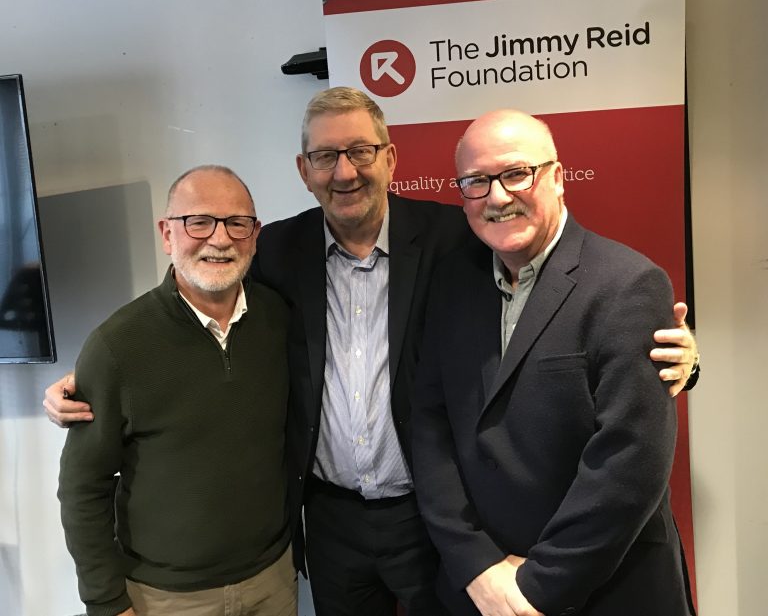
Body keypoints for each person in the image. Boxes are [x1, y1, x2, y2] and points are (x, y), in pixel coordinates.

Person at [46, 89, 698, 616]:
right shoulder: (277, 250)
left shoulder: (455, 234)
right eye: (325, 156)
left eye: (360, 151)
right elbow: (204, 272)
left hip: (430, 510)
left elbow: (558, 292)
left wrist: (682, 359)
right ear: (303, 171)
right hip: (329, 518)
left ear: (390, 157)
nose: (344, 171)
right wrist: (103, 370)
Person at [411, 110, 696, 616]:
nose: (497, 197)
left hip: (604, 590)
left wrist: (535, 588)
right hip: (483, 590)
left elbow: (629, 462)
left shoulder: (628, 284)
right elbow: (431, 427)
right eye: (477, 181)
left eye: (517, 173)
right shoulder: (452, 283)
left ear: (559, 178)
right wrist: (476, 567)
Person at [57, 166, 296, 616]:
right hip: (166, 598)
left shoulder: (279, 320)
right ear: (167, 234)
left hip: (274, 580)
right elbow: (82, 488)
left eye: (236, 222)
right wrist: (106, 601)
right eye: (198, 221)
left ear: (255, 233)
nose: (220, 239)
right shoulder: (116, 346)